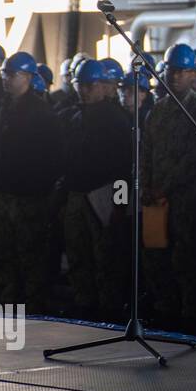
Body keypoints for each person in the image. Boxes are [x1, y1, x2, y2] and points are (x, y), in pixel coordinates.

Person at [140, 43, 196, 330]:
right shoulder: (158, 111)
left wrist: (166, 186)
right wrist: (147, 186)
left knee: (189, 260)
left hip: (189, 201)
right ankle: (166, 312)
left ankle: (193, 317)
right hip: (157, 201)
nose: (175, 77)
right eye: (172, 71)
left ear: (193, 74)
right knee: (157, 258)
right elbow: (146, 152)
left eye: (183, 71)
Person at [0, 52, 64, 309]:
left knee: (31, 260)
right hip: (3, 193)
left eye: (11, 74)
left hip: (30, 197)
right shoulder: (1, 107)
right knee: (4, 257)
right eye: (5, 74)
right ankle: (9, 308)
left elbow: (53, 158)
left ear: (28, 77)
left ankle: (34, 314)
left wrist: (38, 189)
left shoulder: (42, 113)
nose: (6, 79)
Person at [61, 58, 131, 319]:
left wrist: (120, 205)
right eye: (81, 84)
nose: (85, 90)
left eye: (91, 85)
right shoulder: (75, 116)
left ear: (103, 86)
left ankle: (109, 310)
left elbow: (125, 167)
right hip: (78, 195)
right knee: (78, 255)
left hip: (103, 196)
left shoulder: (116, 120)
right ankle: (85, 305)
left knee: (106, 258)